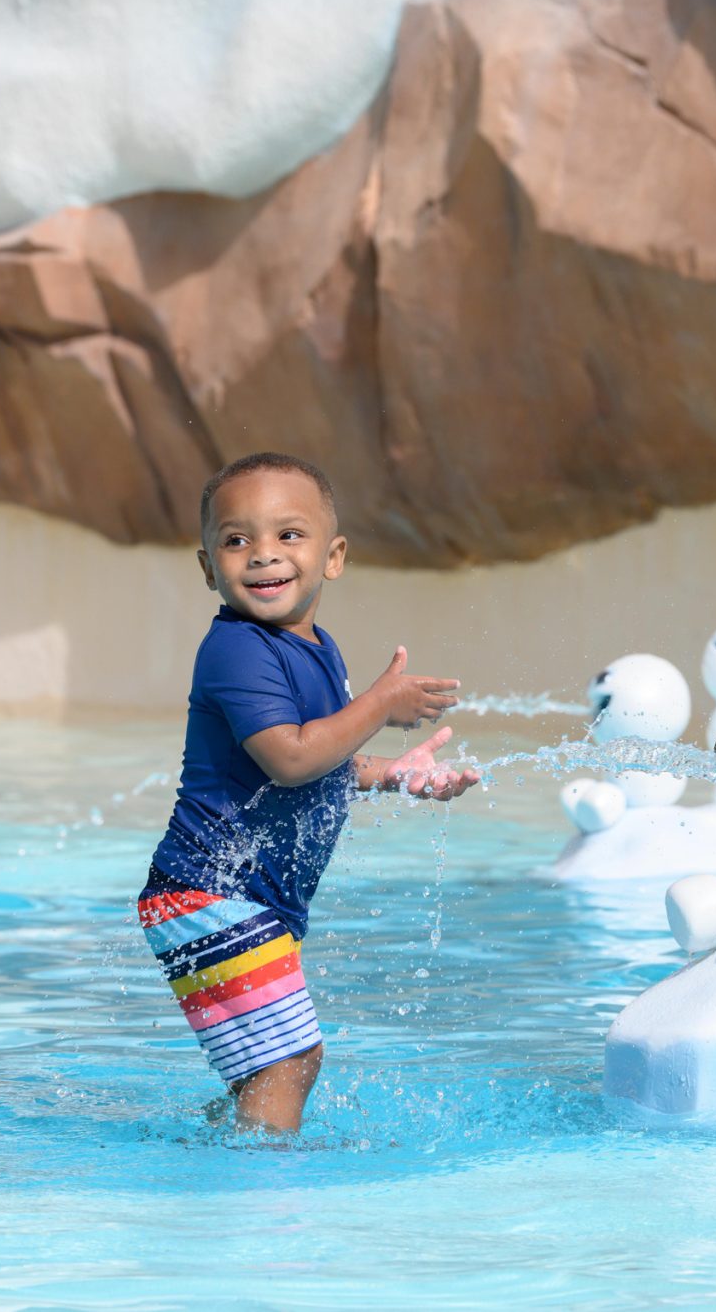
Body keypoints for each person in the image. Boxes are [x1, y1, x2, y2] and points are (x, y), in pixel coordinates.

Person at [137, 452, 480, 1132]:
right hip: (207, 892)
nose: (264, 554)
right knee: (289, 1061)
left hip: (243, 899)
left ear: (334, 556)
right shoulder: (237, 649)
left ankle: (214, 1154)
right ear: (208, 566)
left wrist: (395, 772)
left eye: (288, 534)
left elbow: (320, 757)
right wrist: (380, 703)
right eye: (237, 539)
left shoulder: (316, 648)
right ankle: (265, 1185)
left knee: (271, 1069)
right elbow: (291, 760)